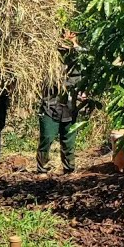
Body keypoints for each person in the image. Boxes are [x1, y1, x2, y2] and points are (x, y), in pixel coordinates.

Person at [36, 31, 85, 175]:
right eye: (65, 35)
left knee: (68, 141)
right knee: (47, 139)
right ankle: (42, 170)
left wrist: (74, 45)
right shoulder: (51, 57)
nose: (68, 38)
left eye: (72, 35)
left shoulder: (79, 58)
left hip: (70, 108)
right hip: (50, 106)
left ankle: (69, 169)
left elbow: (85, 60)